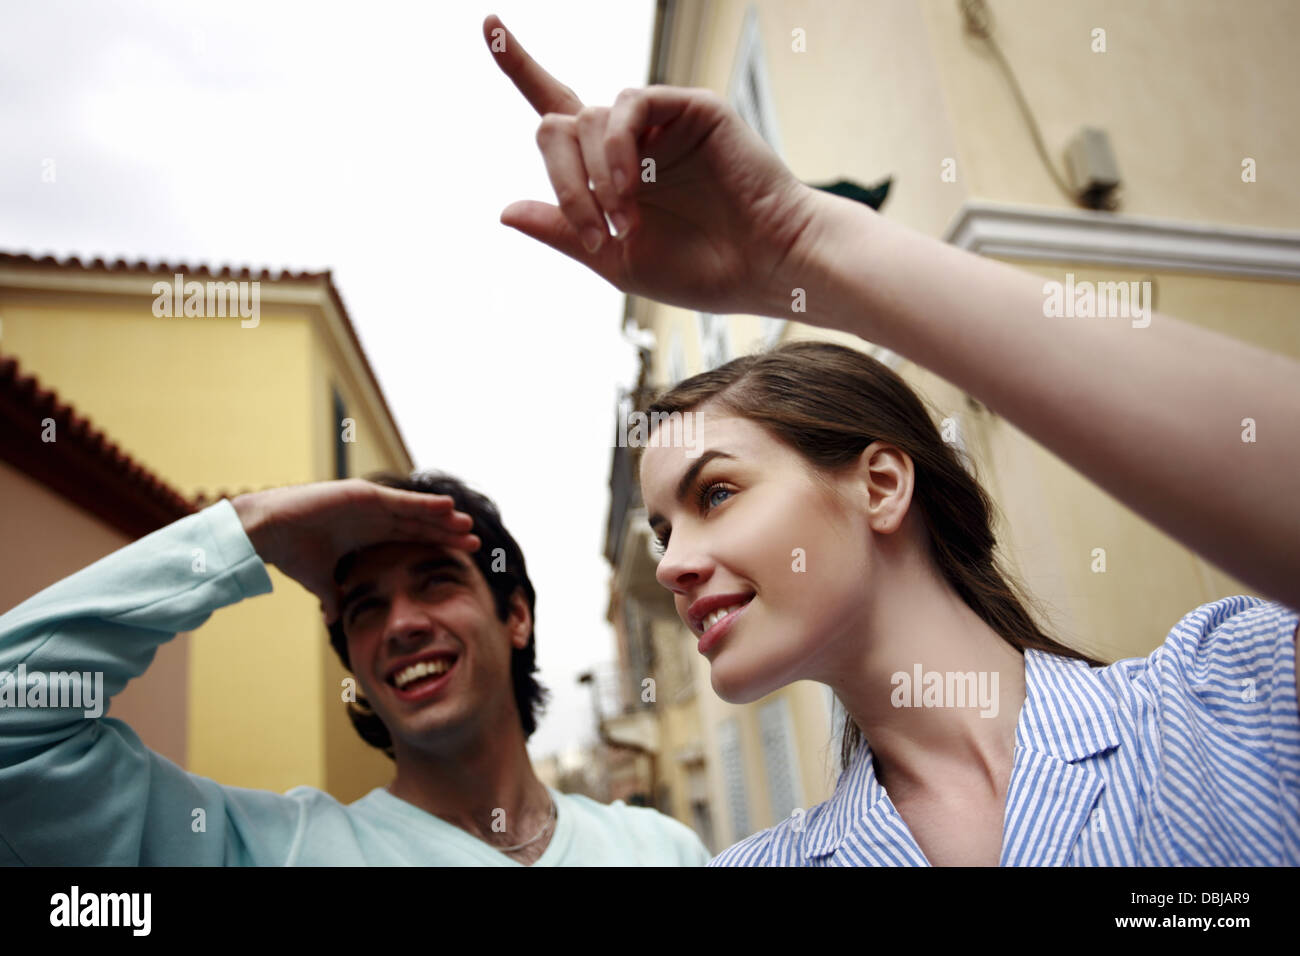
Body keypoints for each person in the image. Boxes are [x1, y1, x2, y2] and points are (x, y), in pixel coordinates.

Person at [484, 15, 1300, 865]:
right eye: (662, 530)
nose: (670, 564)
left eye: (715, 493)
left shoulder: (1223, 700)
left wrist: (807, 247)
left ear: (880, 485)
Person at [0, 471, 711, 866]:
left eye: (436, 582)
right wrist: (253, 530)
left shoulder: (659, 850)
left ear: (516, 615)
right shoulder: (272, 852)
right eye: (366, 608)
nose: (401, 623)